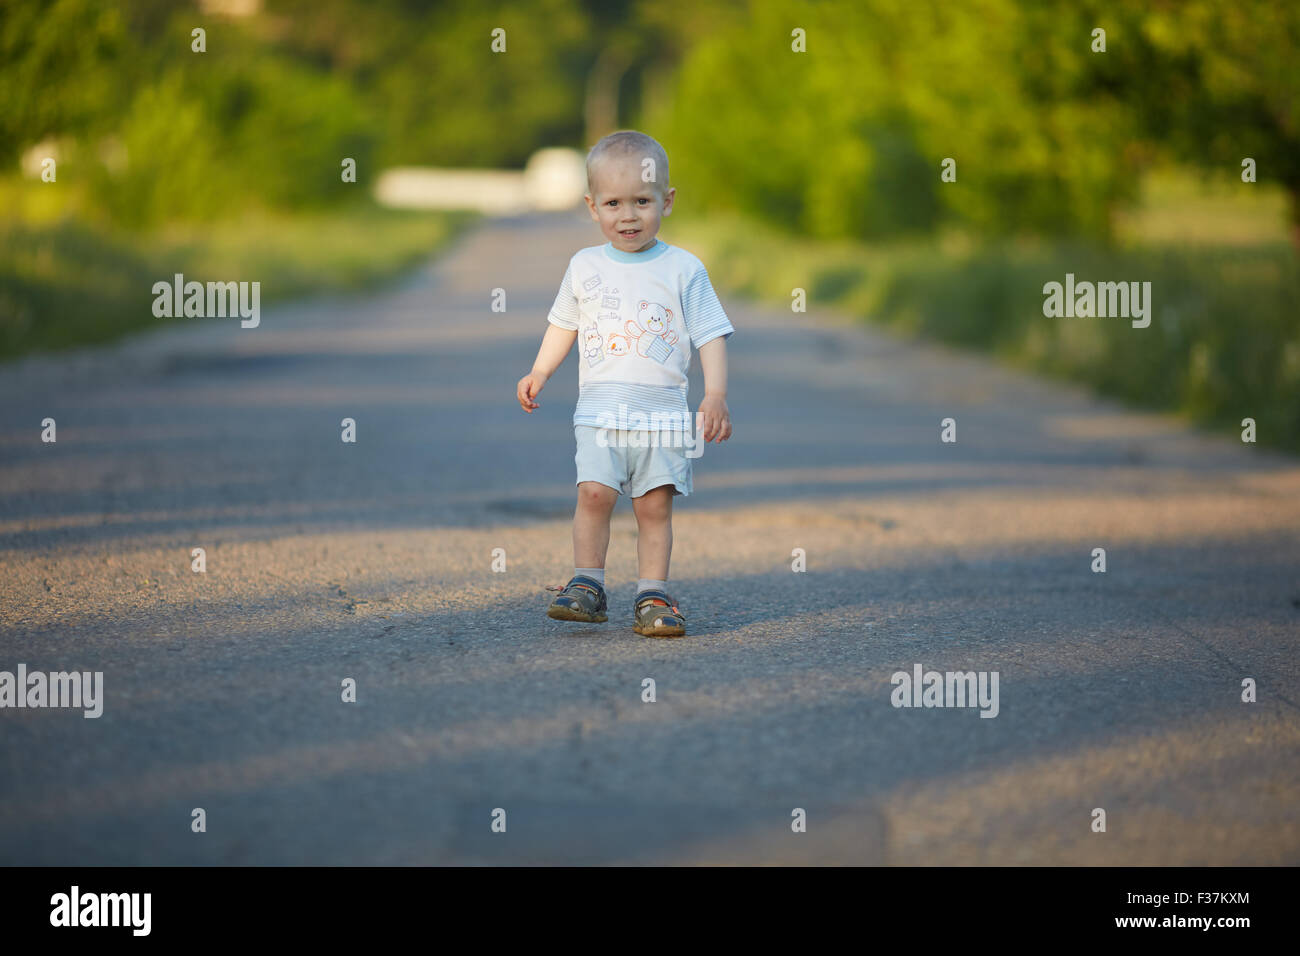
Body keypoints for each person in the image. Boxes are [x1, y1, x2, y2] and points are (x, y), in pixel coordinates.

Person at [515, 130, 733, 637]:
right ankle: (587, 585)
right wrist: (540, 371)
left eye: (642, 201)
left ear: (667, 200)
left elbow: (711, 335)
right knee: (593, 494)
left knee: (653, 505)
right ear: (592, 207)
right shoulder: (584, 266)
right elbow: (563, 325)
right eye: (613, 203)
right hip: (599, 412)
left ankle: (652, 594)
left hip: (663, 415)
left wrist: (715, 394)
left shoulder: (684, 269)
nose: (628, 215)